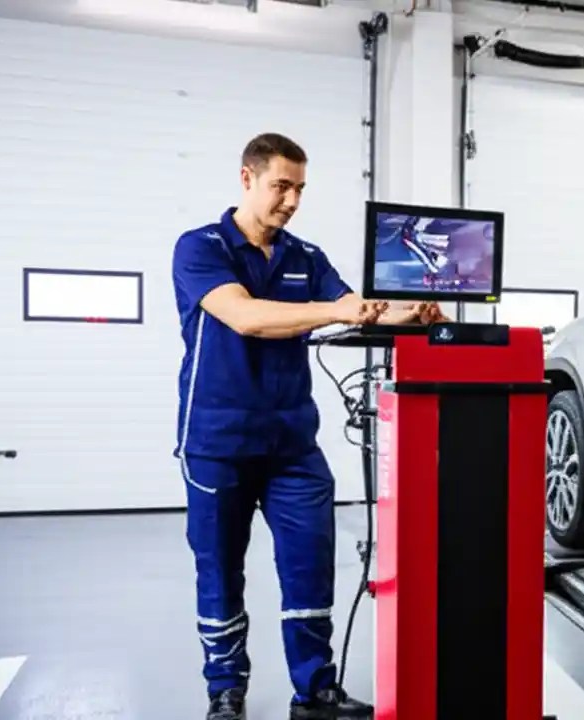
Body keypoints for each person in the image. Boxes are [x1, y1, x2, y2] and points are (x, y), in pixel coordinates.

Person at [171, 132, 444, 720]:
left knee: (310, 564)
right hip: (217, 442)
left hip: (293, 443)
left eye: (300, 189)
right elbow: (245, 317)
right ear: (247, 179)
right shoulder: (200, 247)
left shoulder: (306, 257)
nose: (292, 200)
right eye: (281, 186)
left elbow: (358, 307)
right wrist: (335, 309)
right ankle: (226, 691)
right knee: (219, 568)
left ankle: (316, 689)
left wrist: (411, 311)